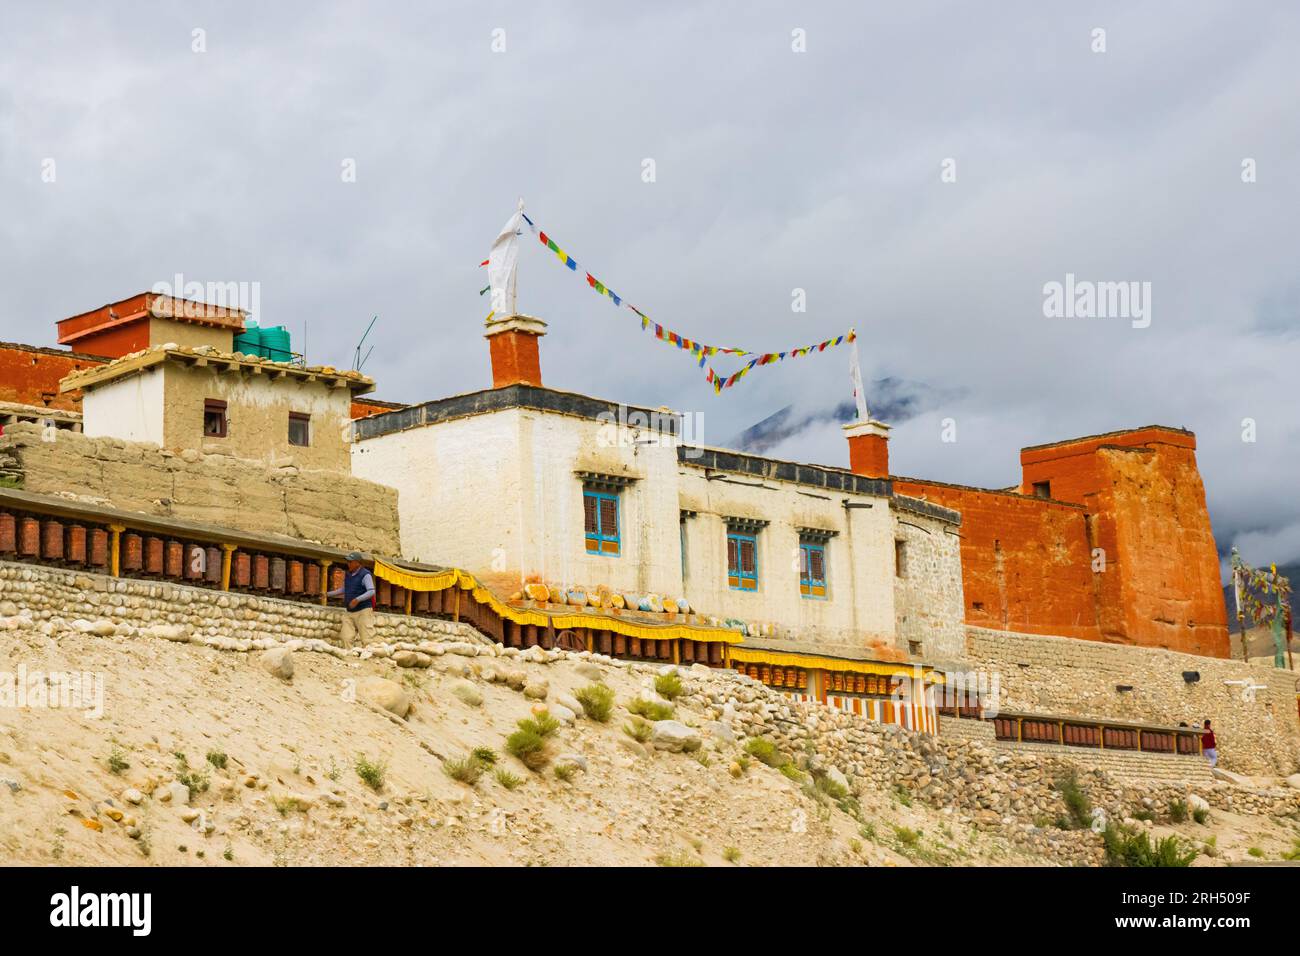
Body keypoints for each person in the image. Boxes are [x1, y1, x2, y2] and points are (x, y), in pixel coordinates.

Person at [327, 551, 375, 649]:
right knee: (345, 637)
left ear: (357, 563)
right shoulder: (348, 575)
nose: (348, 564)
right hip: (349, 611)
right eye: (347, 562)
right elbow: (344, 589)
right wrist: (328, 594)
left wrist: (357, 600)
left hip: (363, 611)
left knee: (367, 639)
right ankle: (350, 658)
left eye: (350, 562)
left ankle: (369, 660)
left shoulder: (365, 574)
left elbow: (371, 591)